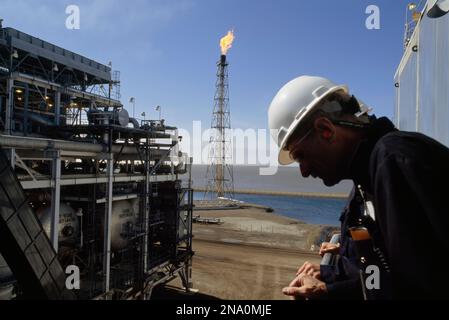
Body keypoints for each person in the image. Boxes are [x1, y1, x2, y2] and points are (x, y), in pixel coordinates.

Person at [267, 75, 449, 299]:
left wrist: (330, 292)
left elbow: (420, 286)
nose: (304, 171)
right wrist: (329, 275)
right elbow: (376, 271)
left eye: (301, 156)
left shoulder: (395, 162)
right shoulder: (364, 186)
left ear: (326, 129)